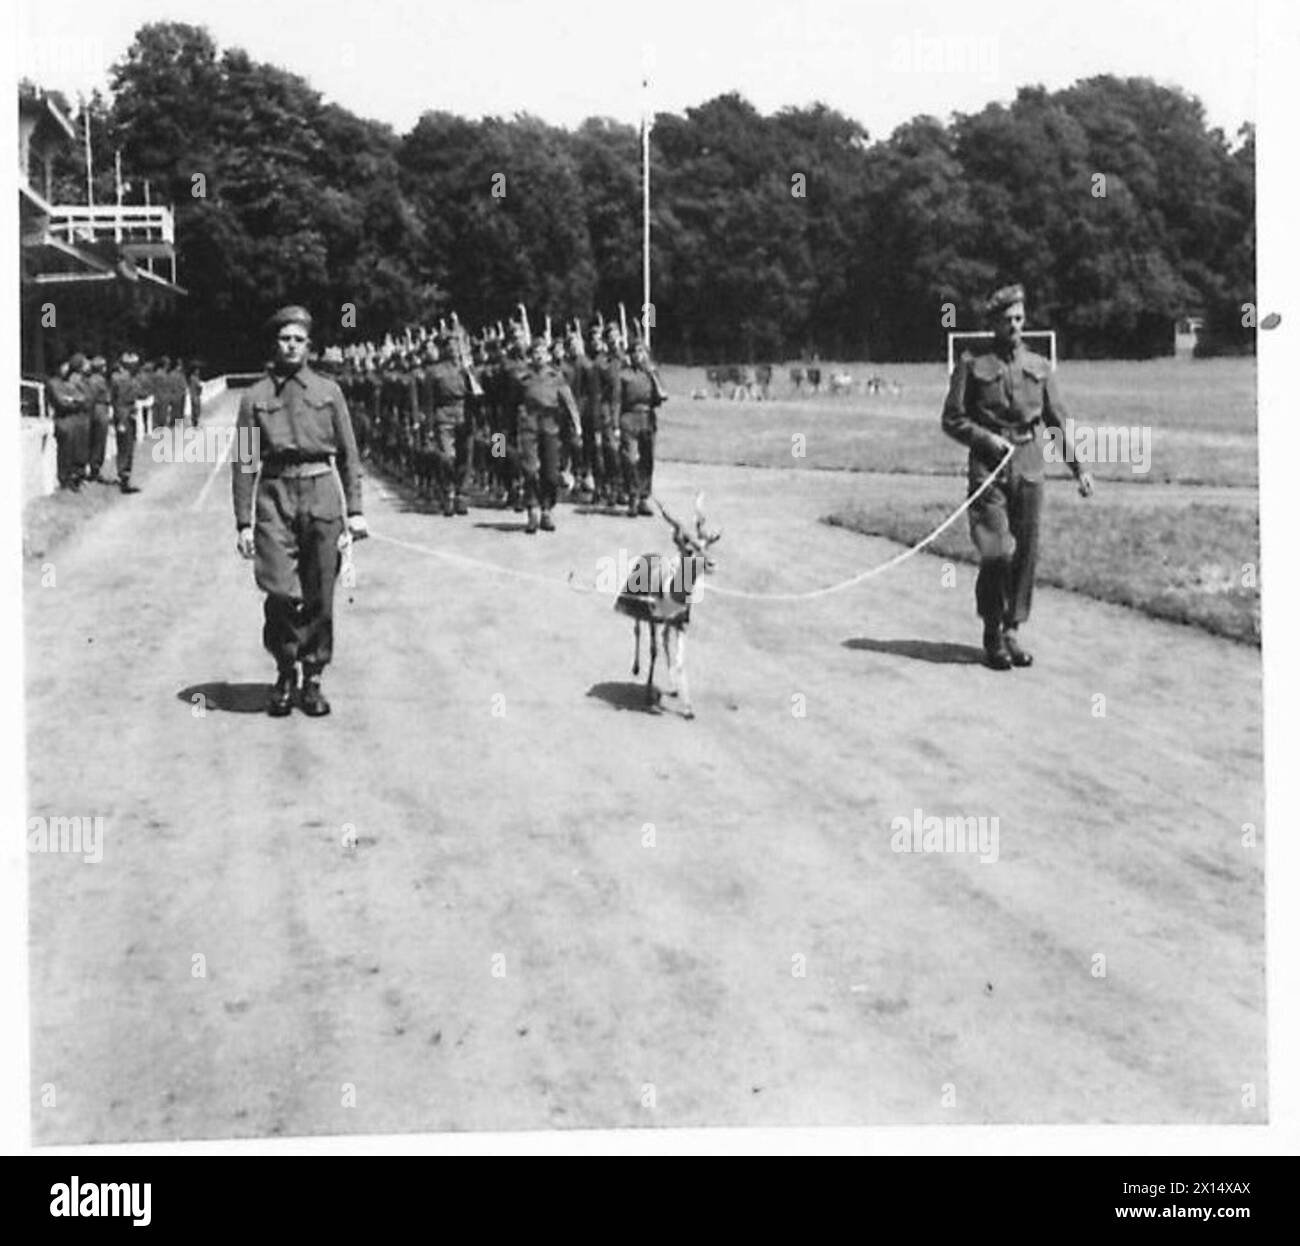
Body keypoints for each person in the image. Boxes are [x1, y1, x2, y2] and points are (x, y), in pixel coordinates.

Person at [941, 283, 1093, 670]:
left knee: (1025, 552)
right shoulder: (972, 363)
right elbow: (952, 419)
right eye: (1007, 319)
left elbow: (1056, 421)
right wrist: (985, 439)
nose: (1015, 326)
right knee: (998, 551)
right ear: (993, 322)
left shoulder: (1040, 367)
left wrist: (1079, 468)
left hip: (1029, 464)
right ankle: (992, 630)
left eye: (1020, 318)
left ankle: (1012, 630)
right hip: (988, 469)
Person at [232, 305, 367, 717]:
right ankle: (284, 669)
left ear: (309, 346)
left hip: (321, 493)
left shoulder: (329, 392)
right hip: (274, 495)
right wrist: (243, 521)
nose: (290, 346)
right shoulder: (256, 396)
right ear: (275, 344)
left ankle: (313, 678)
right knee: (279, 591)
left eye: (298, 340)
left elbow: (348, 454)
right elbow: (244, 461)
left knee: (319, 593)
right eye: (283, 339)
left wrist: (356, 510)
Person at [513, 334, 581, 533]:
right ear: (530, 356)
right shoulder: (522, 378)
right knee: (530, 469)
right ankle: (532, 509)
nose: (539, 356)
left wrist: (577, 425)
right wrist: (504, 434)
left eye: (542, 352)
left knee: (551, 473)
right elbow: (512, 404)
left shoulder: (556, 376)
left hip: (550, 426)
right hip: (529, 427)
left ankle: (547, 510)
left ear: (548, 355)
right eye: (535, 352)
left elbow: (569, 402)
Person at [618, 339, 666, 517]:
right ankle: (632, 496)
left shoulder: (651, 373)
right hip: (628, 417)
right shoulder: (623, 375)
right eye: (635, 352)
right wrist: (616, 424)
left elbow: (661, 396)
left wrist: (654, 376)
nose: (639, 355)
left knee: (647, 459)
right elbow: (616, 401)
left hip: (647, 418)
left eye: (642, 351)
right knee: (629, 459)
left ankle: (643, 497)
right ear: (630, 356)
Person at [47, 355, 91, 490]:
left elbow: (84, 400)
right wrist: (74, 402)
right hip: (64, 420)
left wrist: (73, 400)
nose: (68, 369)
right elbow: (61, 403)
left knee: (80, 449)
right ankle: (65, 479)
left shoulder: (71, 382)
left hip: (77, 420)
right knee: (66, 451)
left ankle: (78, 476)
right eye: (65, 366)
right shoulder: (53, 383)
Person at [109, 351, 143, 493]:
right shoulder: (120, 378)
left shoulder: (128, 378)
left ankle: (126, 477)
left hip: (129, 412)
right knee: (124, 447)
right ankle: (124, 477)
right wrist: (120, 420)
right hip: (123, 412)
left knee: (129, 446)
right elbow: (115, 399)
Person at [84, 355, 113, 483]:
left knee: (94, 441)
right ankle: (95, 470)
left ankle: (93, 468)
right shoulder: (98, 381)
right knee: (99, 441)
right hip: (99, 410)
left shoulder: (91, 380)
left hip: (96, 410)